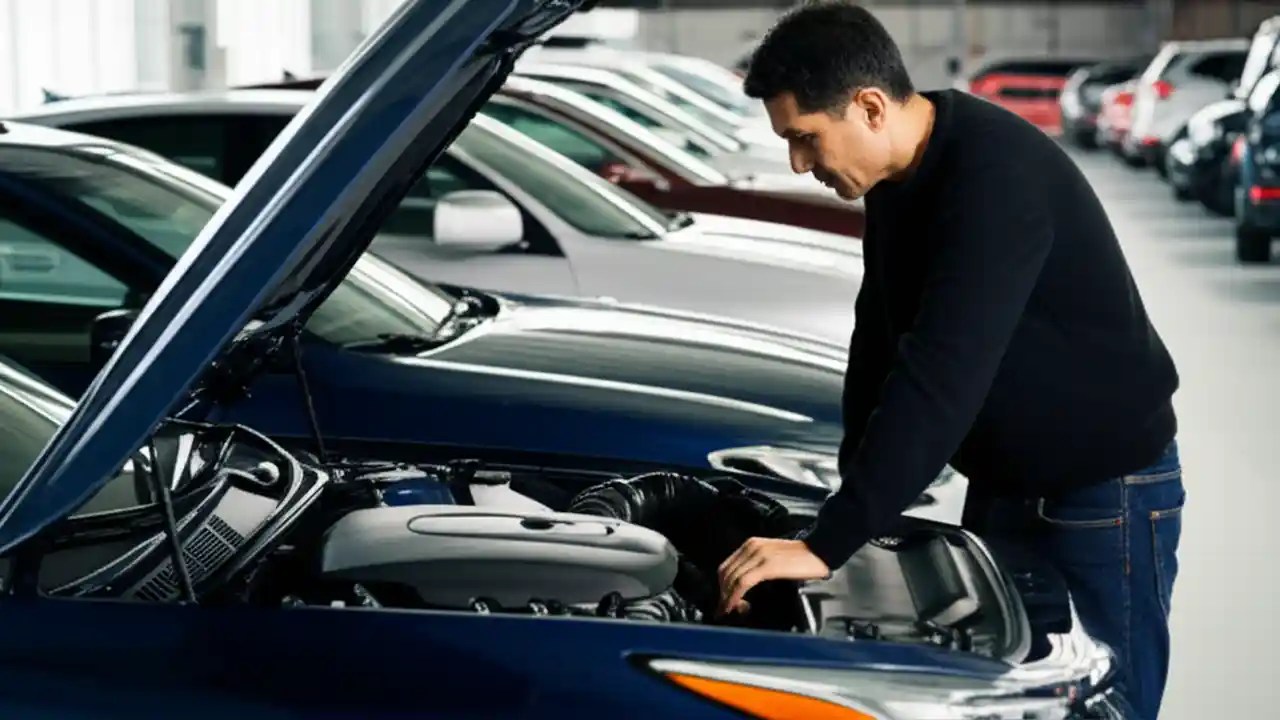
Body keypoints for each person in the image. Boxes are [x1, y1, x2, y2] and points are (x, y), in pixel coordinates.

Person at [714, 3, 1183, 718]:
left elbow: (944, 369)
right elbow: (880, 343)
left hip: (1101, 492)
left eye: (806, 138)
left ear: (869, 106)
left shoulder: (995, 177)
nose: (798, 163)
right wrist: (845, 509)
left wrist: (832, 541)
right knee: (1009, 704)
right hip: (1007, 483)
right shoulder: (899, 181)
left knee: (1106, 706)